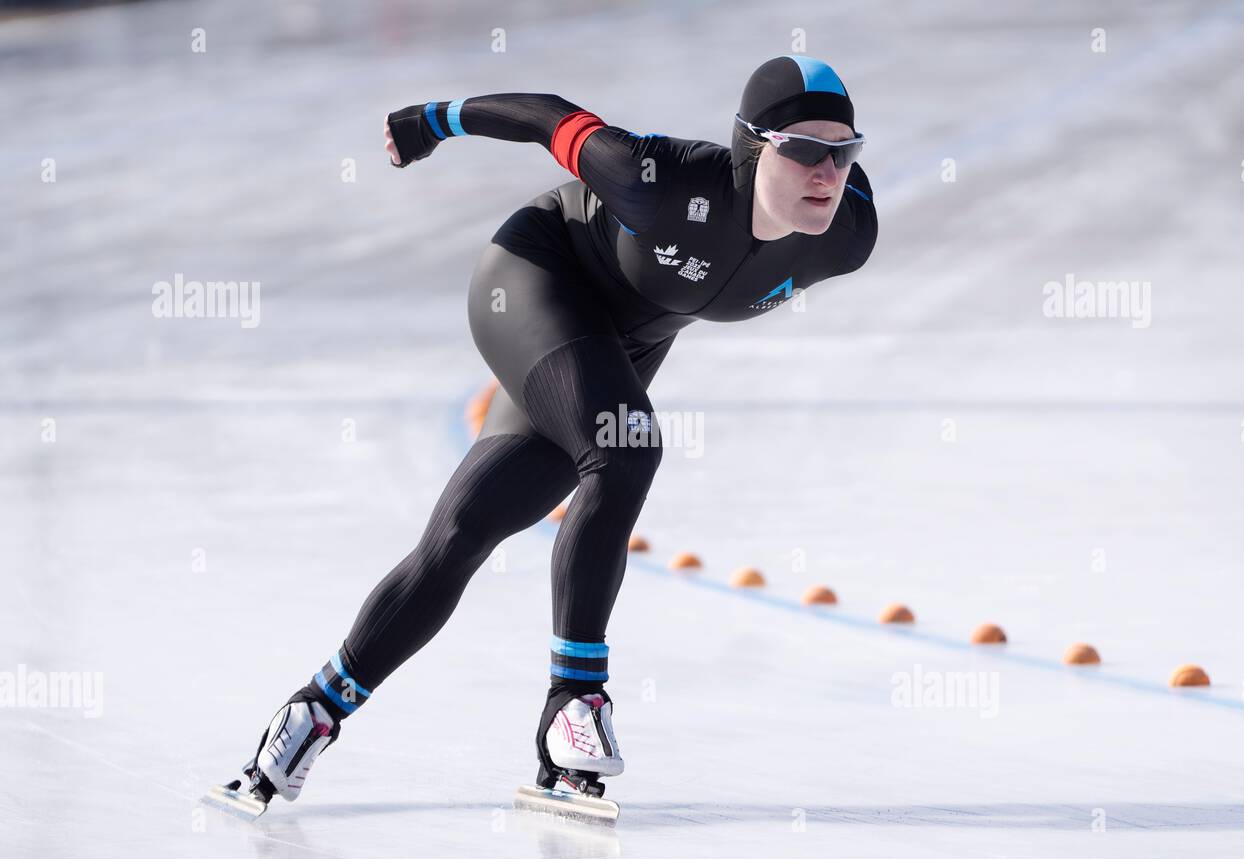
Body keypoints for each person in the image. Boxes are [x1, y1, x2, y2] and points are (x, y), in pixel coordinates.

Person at [227, 55, 879, 807]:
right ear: (751, 148)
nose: (826, 170)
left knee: (466, 530)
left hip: (618, 343)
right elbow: (546, 114)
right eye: (802, 149)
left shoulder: (846, 234)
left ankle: (313, 710)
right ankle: (576, 701)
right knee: (627, 444)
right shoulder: (659, 180)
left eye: (844, 150)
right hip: (532, 280)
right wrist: (431, 121)